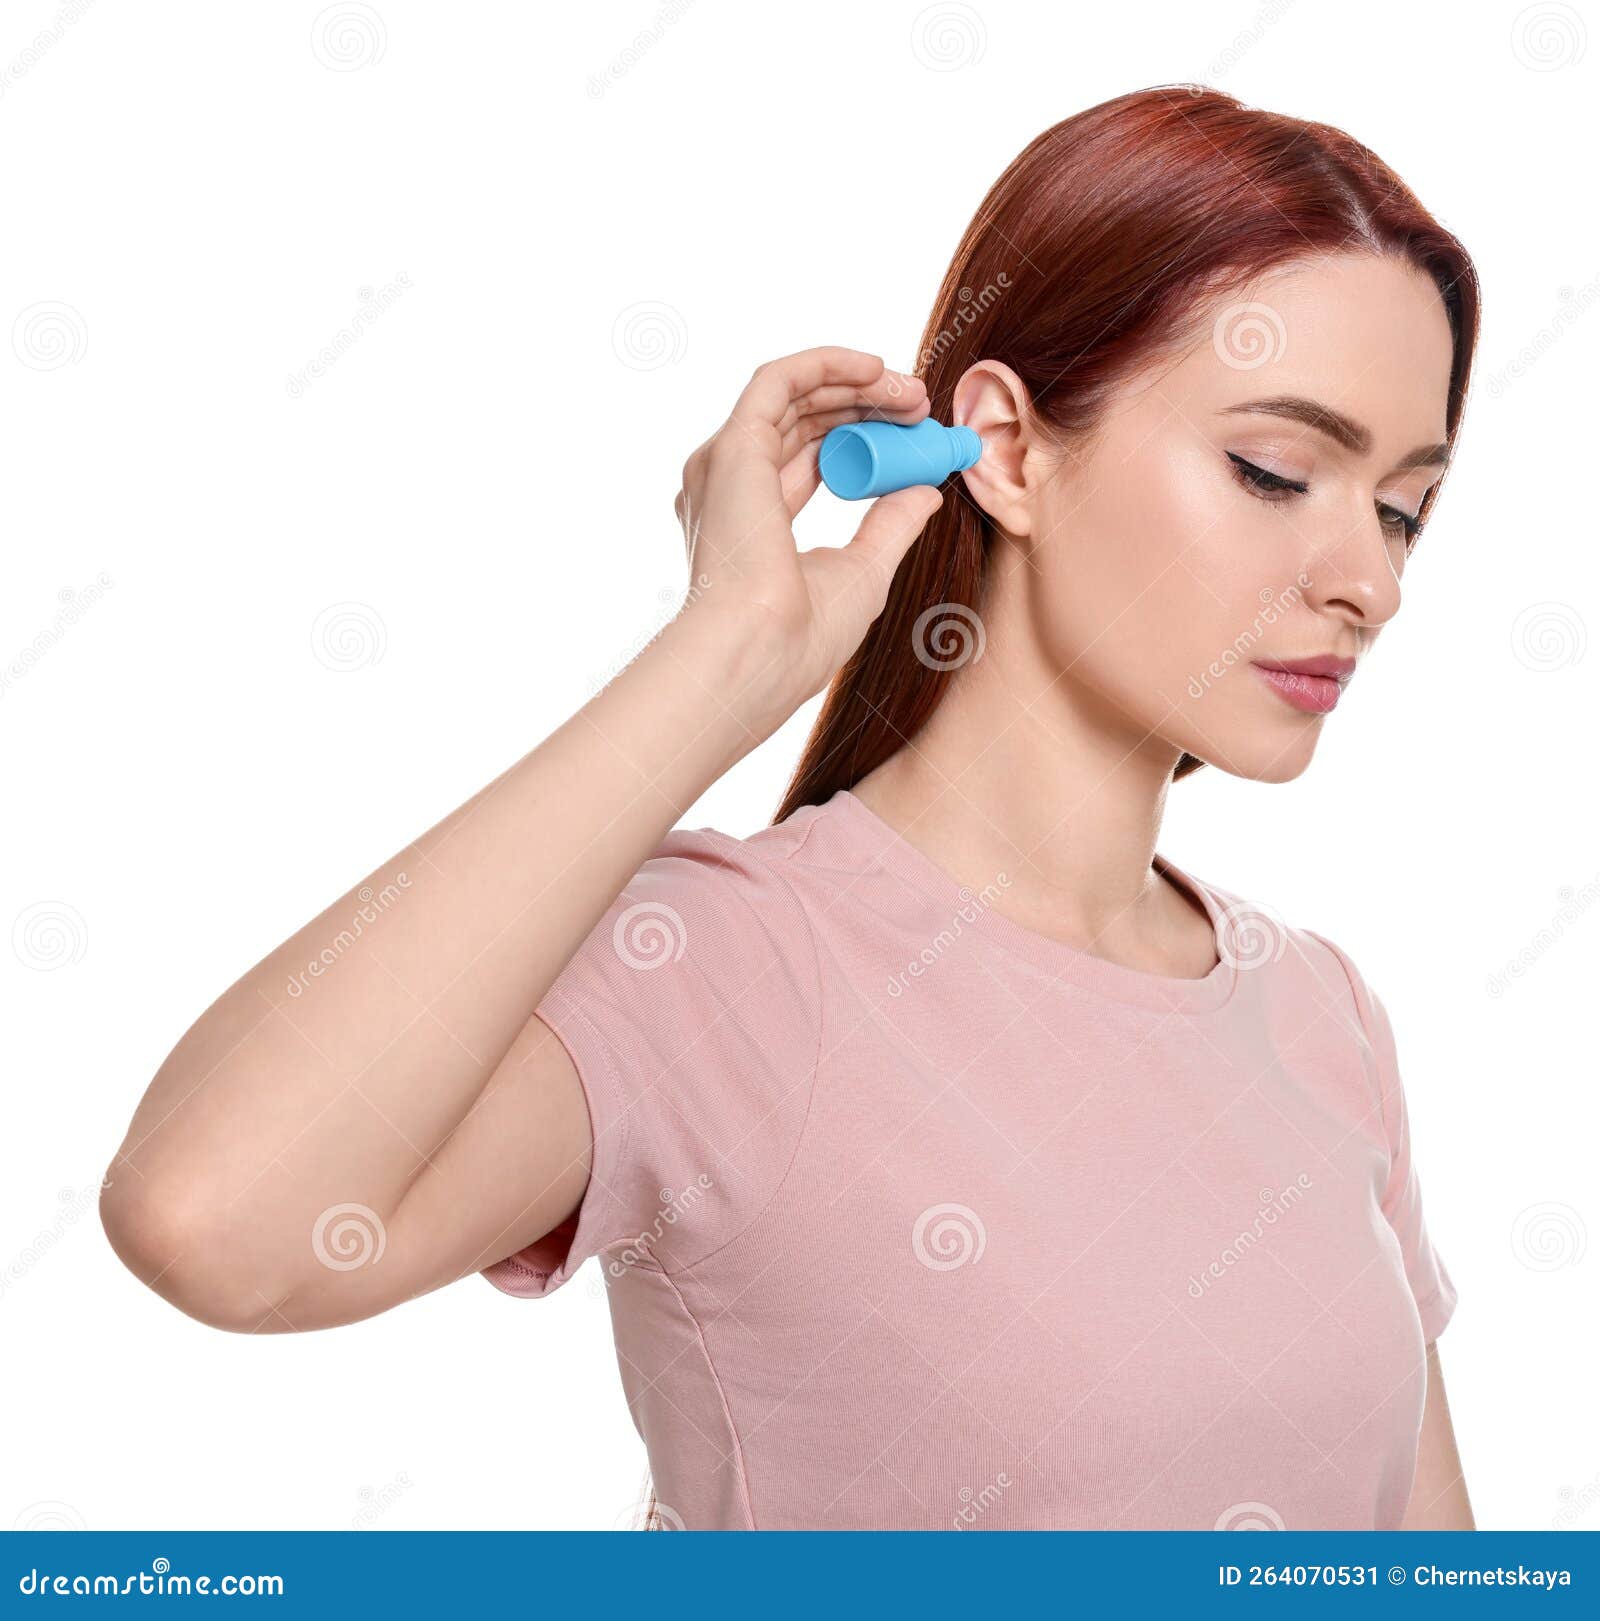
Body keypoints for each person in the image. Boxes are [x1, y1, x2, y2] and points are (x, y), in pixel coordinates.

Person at [102, 85, 1476, 1531]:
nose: (1370, 583)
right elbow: (211, 1218)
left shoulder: (1323, 1014)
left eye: (1402, 509)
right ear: (1005, 448)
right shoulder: (729, 968)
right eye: (1277, 470)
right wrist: (720, 663)